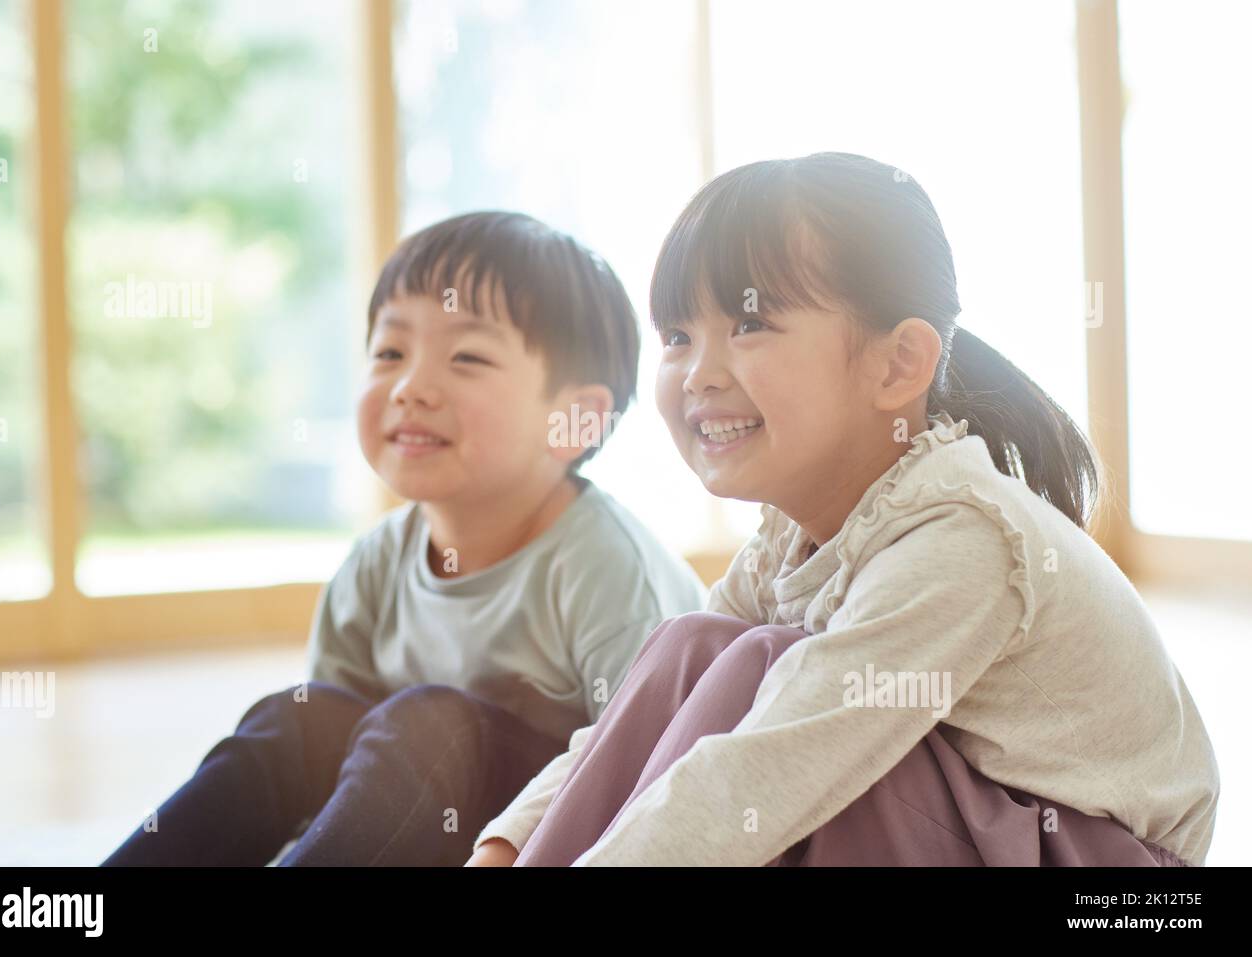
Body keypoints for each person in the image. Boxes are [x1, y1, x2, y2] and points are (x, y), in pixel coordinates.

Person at [467, 153, 1219, 867]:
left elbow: (759, 775)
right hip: (975, 831)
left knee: (765, 678)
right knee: (695, 648)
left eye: (750, 324)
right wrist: (506, 848)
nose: (699, 373)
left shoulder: (960, 536)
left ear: (897, 365)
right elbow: (638, 722)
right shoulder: (790, 537)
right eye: (677, 336)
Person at [102, 211, 708, 866]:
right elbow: (327, 778)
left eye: (467, 357)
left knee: (429, 721)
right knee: (298, 721)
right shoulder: (374, 564)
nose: (410, 387)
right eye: (390, 353)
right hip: (399, 835)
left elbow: (648, 769)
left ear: (574, 421)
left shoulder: (607, 568)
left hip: (543, 837)